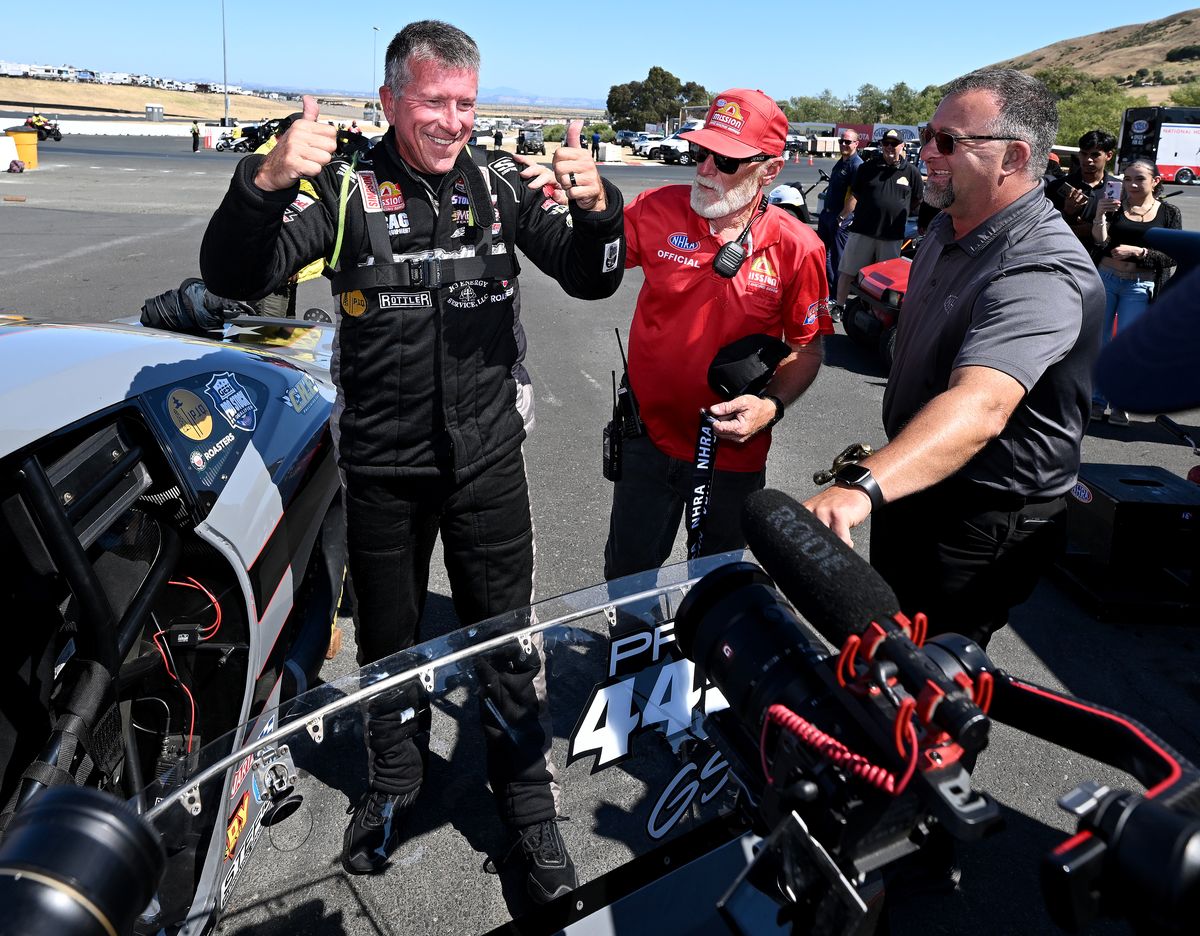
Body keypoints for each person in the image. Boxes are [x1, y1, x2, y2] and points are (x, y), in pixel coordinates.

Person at [199, 19, 626, 902]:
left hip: (487, 463)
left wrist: (598, 210)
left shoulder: (502, 187)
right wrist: (265, 180)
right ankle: (395, 782)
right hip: (384, 469)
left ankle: (525, 803)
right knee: (390, 644)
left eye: (466, 102)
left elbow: (593, 279)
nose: (453, 120)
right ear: (391, 99)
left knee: (506, 642)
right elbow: (237, 276)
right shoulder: (346, 192)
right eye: (434, 101)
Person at [804, 67, 1104, 651]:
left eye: (947, 141)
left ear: (1014, 158)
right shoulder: (946, 226)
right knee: (887, 654)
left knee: (935, 678)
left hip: (982, 515)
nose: (924, 153)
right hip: (919, 483)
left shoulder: (1041, 269)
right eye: (925, 134)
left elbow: (983, 403)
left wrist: (864, 487)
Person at [604, 88, 831, 580]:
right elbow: (587, 259)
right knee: (627, 575)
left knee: (717, 585)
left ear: (769, 170)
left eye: (725, 160)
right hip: (646, 440)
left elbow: (808, 348)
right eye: (699, 152)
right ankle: (630, 657)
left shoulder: (799, 248)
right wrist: (580, 203)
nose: (705, 169)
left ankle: (700, 658)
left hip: (732, 454)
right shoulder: (656, 209)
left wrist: (771, 406)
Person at [1088, 158, 1181, 425]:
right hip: (1107, 278)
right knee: (1100, 342)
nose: (1131, 184)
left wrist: (1139, 252)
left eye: (1139, 178)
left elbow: (1172, 254)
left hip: (1140, 285)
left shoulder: (1168, 213)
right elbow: (1100, 243)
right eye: (1127, 179)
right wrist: (1099, 216)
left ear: (1156, 181)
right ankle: (1097, 400)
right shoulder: (1115, 207)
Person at [834, 129, 923, 311]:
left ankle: (876, 315)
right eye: (886, 143)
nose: (890, 147)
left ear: (902, 146)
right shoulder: (867, 168)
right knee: (848, 271)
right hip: (862, 231)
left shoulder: (911, 172)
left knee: (885, 281)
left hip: (891, 236)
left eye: (894, 143)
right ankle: (839, 306)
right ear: (881, 145)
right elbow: (855, 194)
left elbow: (916, 200)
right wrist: (844, 214)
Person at [1046, 129, 1119, 246]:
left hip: (1099, 259)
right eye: (1084, 153)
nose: (1088, 159)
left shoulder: (1118, 189)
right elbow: (1045, 225)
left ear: (1109, 155)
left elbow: (1124, 228)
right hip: (1062, 251)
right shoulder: (1056, 186)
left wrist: (1095, 228)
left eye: (1095, 155)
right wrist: (1067, 213)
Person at [816, 129, 862, 300]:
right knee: (821, 254)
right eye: (842, 141)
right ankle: (826, 291)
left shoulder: (856, 165)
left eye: (848, 142)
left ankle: (836, 297)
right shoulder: (841, 162)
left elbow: (855, 196)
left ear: (856, 144)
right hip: (827, 216)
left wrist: (842, 217)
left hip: (840, 218)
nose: (844, 144)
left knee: (837, 259)